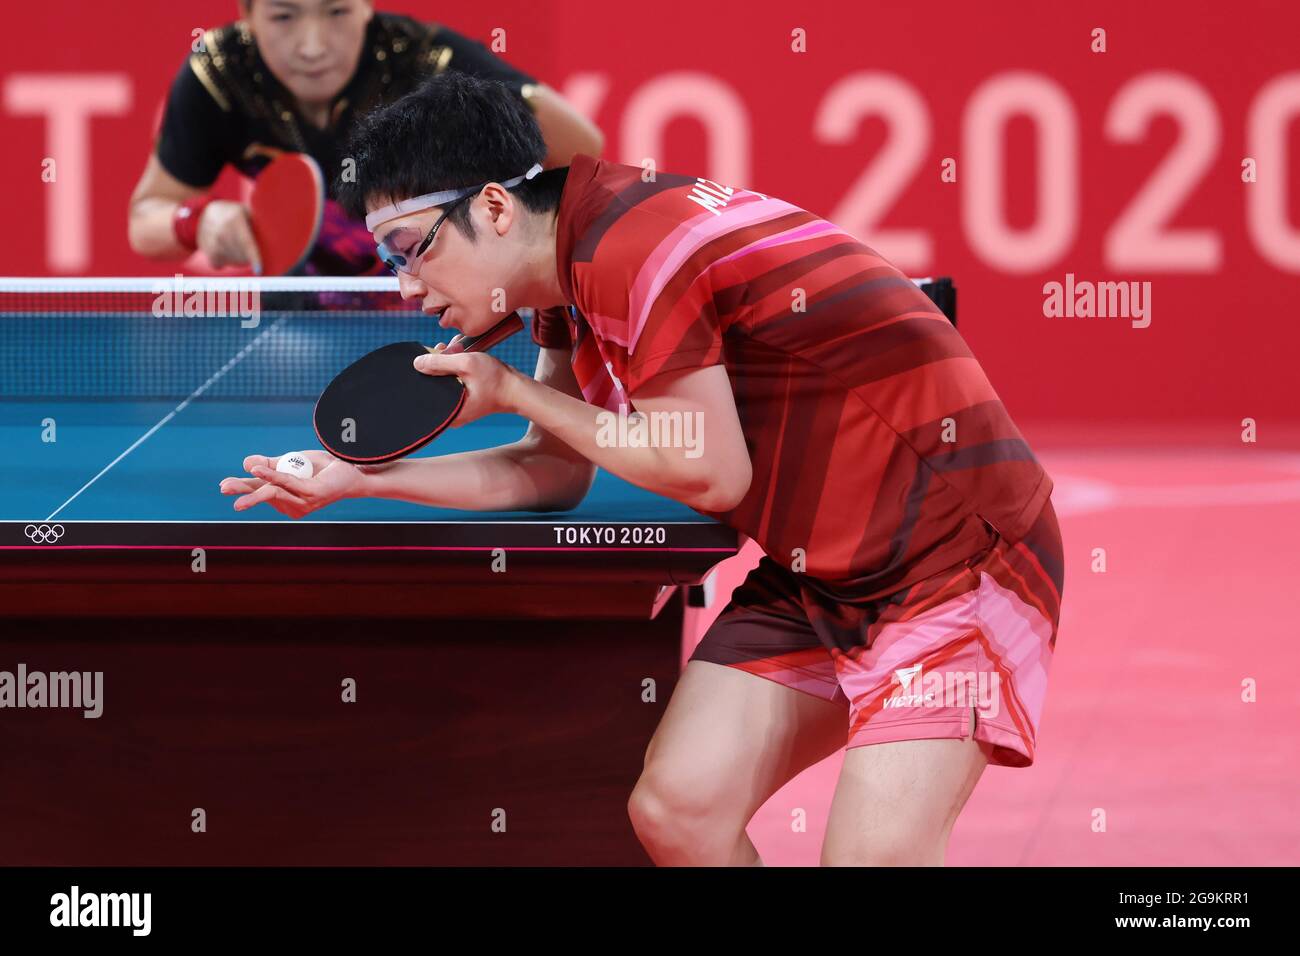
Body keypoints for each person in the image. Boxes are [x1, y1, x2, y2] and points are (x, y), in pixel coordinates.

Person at [220, 73, 1064, 866]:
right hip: (824, 575)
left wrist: (517, 391)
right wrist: (361, 480)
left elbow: (711, 478)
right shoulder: (560, 274)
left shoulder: (633, 250)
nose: (405, 286)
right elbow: (552, 470)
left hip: (954, 561)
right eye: (390, 262)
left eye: (412, 250)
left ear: (493, 207)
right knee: (678, 811)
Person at [128, 0, 602, 275]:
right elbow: (145, 221)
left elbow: (582, 147)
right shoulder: (220, 74)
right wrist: (197, 222)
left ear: (366, 7)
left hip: (434, 302)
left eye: (336, 11)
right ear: (247, 15)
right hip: (299, 314)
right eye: (283, 17)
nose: (312, 46)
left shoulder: (423, 59)